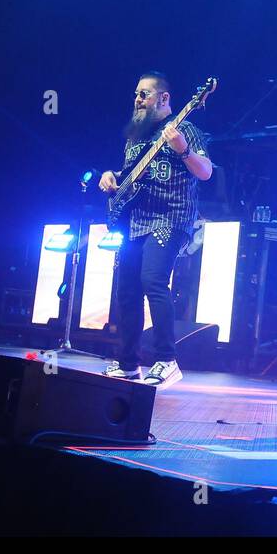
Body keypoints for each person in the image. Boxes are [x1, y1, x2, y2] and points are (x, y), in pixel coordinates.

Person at [98, 72, 212, 387]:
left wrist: (183, 150)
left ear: (163, 98)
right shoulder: (134, 138)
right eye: (136, 93)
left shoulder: (184, 128)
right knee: (127, 290)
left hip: (171, 218)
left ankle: (167, 359)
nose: (137, 99)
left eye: (144, 94)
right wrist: (110, 177)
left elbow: (206, 172)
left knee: (153, 280)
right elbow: (127, 177)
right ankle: (128, 364)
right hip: (136, 221)